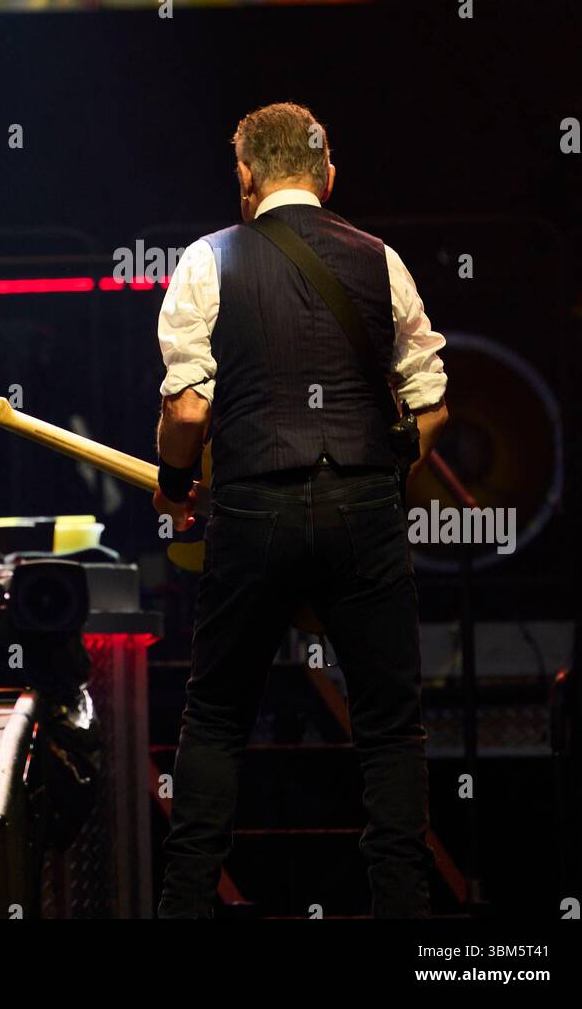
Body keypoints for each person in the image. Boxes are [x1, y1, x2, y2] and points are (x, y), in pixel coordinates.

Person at [152, 101, 448, 919]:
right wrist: (372, 467)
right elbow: (432, 408)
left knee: (213, 720)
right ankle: (405, 917)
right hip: (365, 510)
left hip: (254, 509)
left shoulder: (207, 261)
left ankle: (184, 910)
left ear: (244, 177)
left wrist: (176, 489)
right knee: (391, 728)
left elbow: (186, 415)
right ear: (328, 171)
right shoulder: (380, 260)